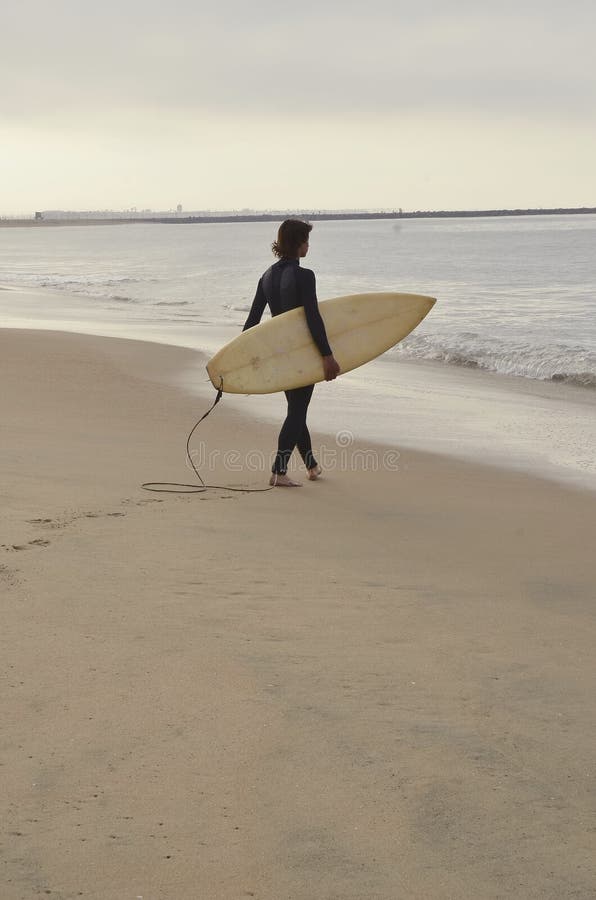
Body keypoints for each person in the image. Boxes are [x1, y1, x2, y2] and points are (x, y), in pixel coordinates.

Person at [243, 219, 341, 487]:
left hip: (279, 355)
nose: (309, 245)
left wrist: (243, 360)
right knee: (298, 410)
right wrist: (327, 354)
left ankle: (311, 465)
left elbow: (252, 323)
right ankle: (279, 470)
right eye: (306, 240)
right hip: (301, 353)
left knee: (296, 409)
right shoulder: (304, 276)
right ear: (298, 244)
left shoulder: (266, 277)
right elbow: (313, 318)